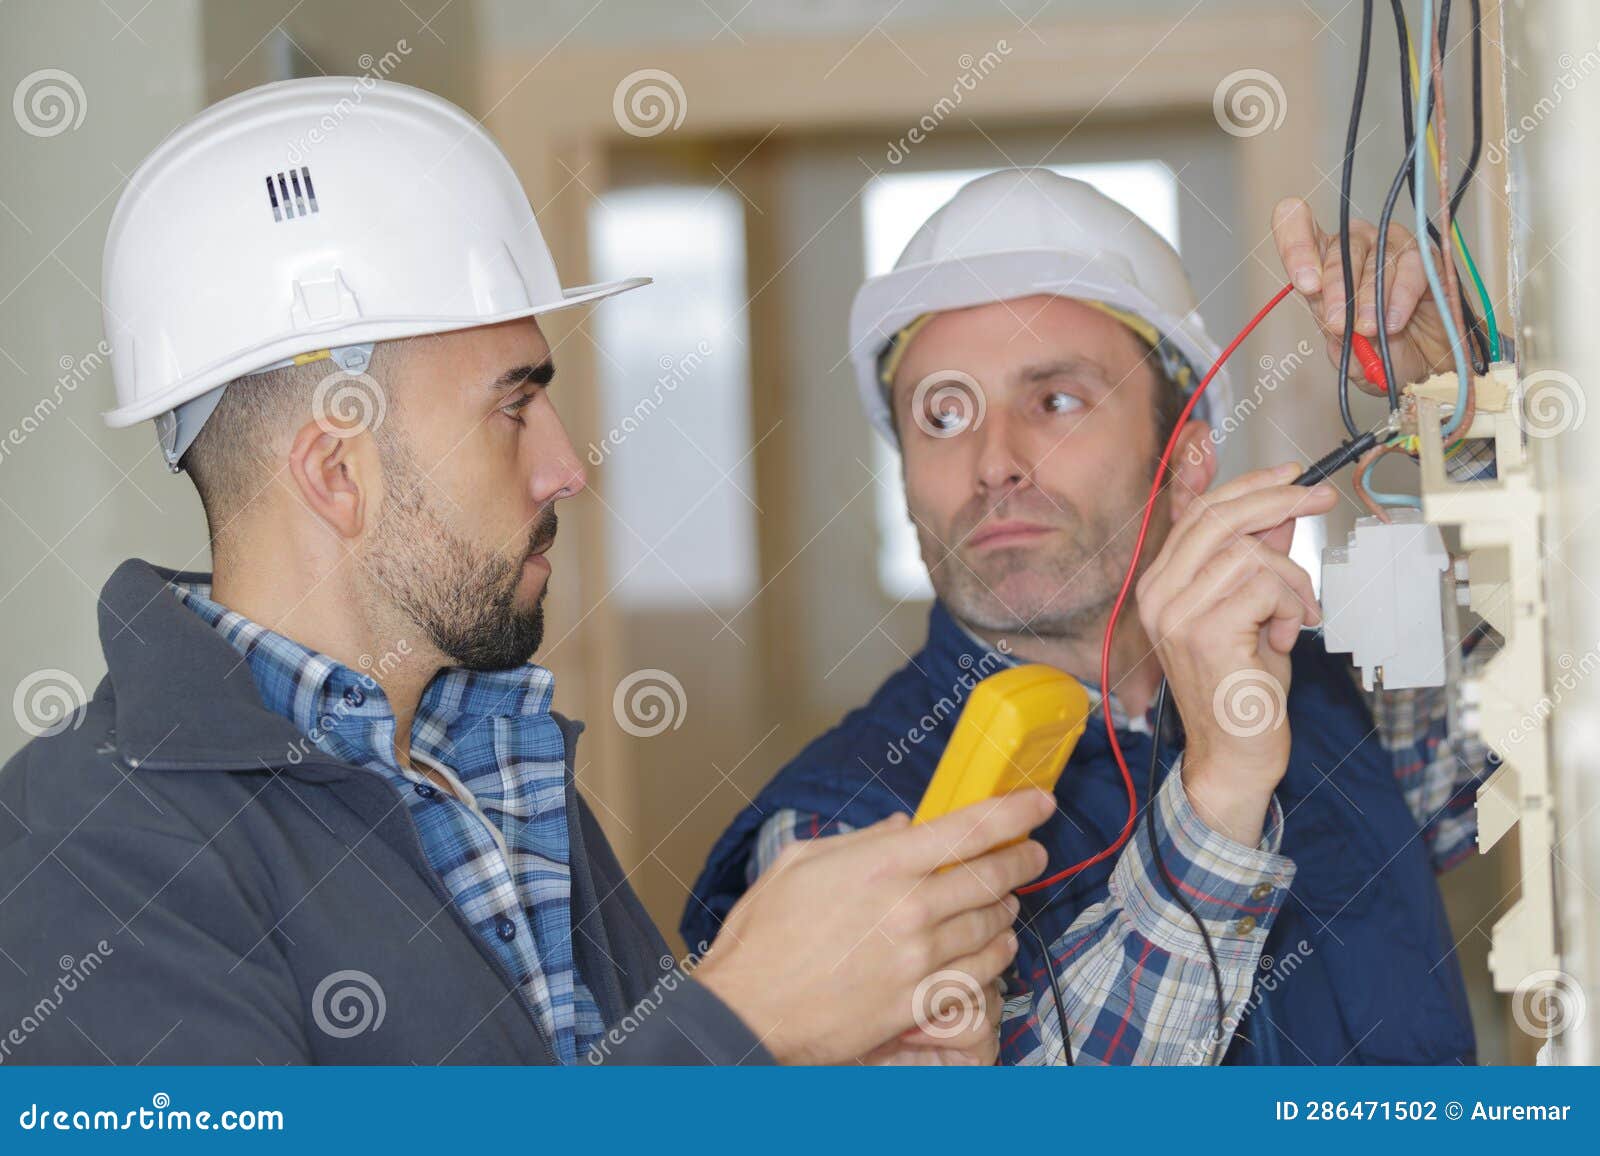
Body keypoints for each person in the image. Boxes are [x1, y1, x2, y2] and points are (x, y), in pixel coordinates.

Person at [0, 78, 1052, 1067]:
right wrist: (738, 1022)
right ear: (336, 469)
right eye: (513, 406)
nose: (566, 467)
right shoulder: (88, 856)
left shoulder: (482, 763)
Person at [686, 169, 1494, 1065]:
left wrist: (1474, 409)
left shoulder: (1322, 695)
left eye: (1056, 401)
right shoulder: (840, 830)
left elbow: (1531, 710)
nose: (995, 463)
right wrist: (1217, 803)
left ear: (1185, 458)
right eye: (943, 416)